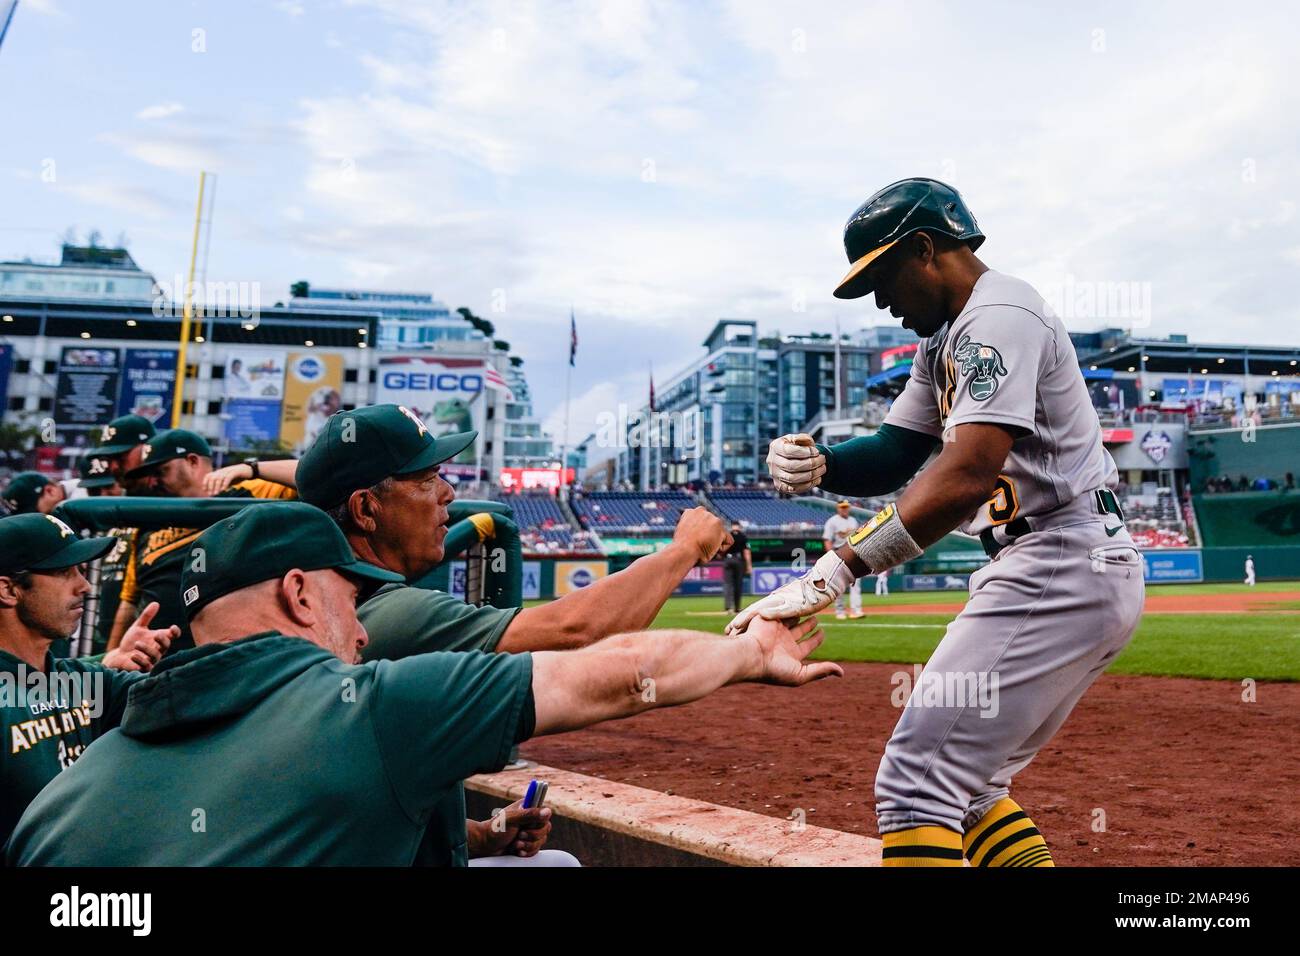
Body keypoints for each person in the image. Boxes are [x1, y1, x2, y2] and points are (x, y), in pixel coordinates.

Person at [6, 502, 839, 866]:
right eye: (347, 597)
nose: (363, 628)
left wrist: (478, 840)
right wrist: (750, 651)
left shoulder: (66, 795)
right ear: (300, 594)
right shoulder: (370, 708)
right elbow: (625, 674)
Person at [745, 177, 1145, 867]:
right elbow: (897, 451)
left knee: (914, 787)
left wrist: (841, 566)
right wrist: (824, 465)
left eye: (882, 276)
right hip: (1059, 560)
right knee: (973, 790)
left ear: (925, 248)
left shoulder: (999, 315)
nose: (881, 301)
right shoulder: (945, 340)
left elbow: (965, 476)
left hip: (1057, 557)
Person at [202, 402, 734, 865]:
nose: (449, 493)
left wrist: (485, 834)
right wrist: (684, 548)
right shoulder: (383, 616)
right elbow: (578, 631)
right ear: (366, 508)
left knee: (554, 862)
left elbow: (369, 822)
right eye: (427, 479)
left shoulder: (308, 607)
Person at [0, 513, 179, 846]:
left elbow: (183, 696)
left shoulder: (81, 681)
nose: (83, 585)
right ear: (8, 590)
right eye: (64, 572)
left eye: (81, 570)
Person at [107, 428, 295, 655]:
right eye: (151, 475)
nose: (153, 482)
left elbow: (314, 474)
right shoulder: (150, 518)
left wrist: (251, 468)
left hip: (232, 656)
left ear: (192, 461)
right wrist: (113, 657)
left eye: (161, 471)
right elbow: (128, 602)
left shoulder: (249, 492)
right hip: (161, 662)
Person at [822, 501, 862, 619]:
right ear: (838, 509)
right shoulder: (832, 521)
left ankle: (856, 610)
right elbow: (827, 539)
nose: (844, 509)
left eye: (846, 507)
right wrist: (830, 555)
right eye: (842, 507)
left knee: (856, 584)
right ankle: (840, 611)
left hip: (853, 553)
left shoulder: (853, 521)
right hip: (838, 552)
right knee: (839, 585)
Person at [721, 520, 752, 614]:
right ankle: (737, 607)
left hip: (728, 560)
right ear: (739, 526)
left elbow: (721, 549)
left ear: (731, 526)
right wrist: (749, 566)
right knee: (738, 584)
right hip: (738, 560)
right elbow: (747, 552)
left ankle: (728, 607)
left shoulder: (727, 535)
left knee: (728, 584)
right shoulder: (743, 536)